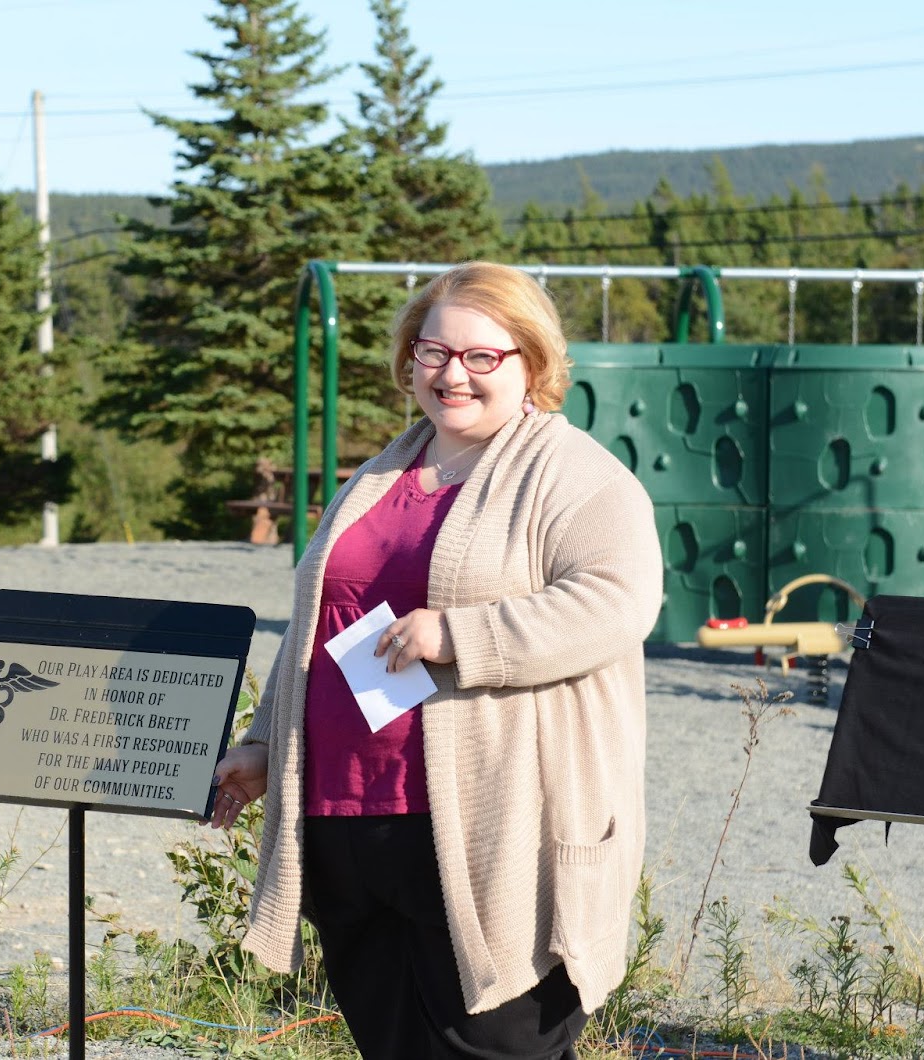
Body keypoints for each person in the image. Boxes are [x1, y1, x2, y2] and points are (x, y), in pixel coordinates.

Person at [207, 262, 663, 1060]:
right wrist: (266, 745)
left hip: (491, 843)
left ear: (534, 364)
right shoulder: (383, 472)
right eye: (434, 351)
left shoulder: (578, 477)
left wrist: (461, 637)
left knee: (496, 1047)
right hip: (352, 826)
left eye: (482, 356)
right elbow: (320, 625)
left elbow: (618, 604)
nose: (453, 374)